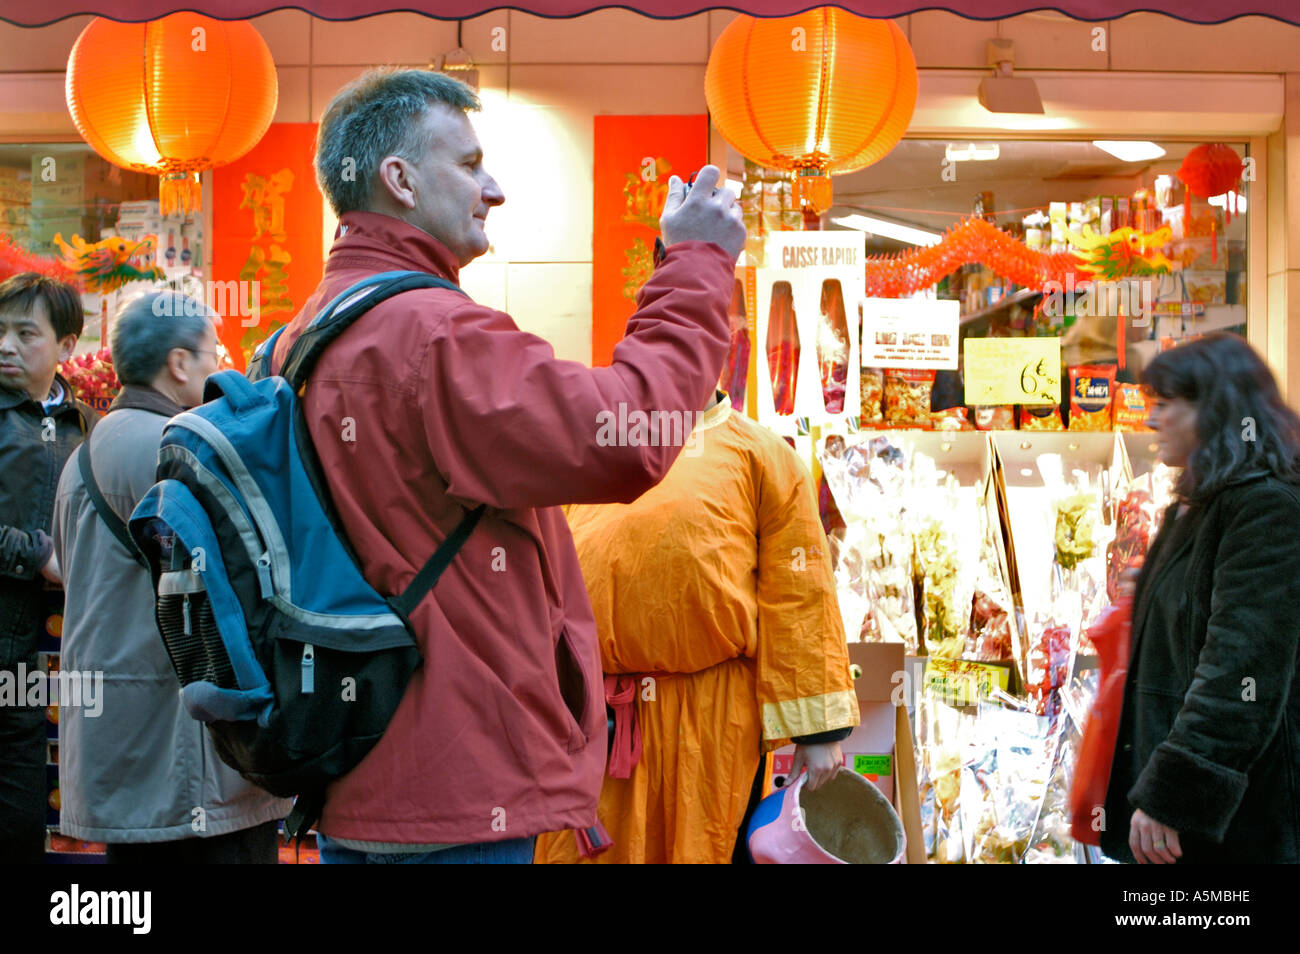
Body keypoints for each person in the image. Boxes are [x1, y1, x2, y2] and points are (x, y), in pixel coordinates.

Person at [269, 68, 745, 863]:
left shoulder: (299, 337)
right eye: (468, 164)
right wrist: (696, 264)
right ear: (399, 179)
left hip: (353, 761)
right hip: (454, 780)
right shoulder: (435, 336)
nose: (493, 190)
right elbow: (632, 434)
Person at [534, 388, 861, 864]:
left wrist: (818, 734)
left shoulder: (764, 456)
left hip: (710, 725)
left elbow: (800, 596)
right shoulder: (589, 447)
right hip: (591, 723)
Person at [52, 292, 294, 863]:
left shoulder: (85, 452)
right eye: (215, 354)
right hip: (183, 757)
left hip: (121, 748)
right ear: (180, 364)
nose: (222, 369)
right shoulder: (173, 450)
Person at [1101, 331, 1300, 864]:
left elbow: (1242, 670)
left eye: (1165, 404)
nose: (1150, 419)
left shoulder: (1265, 508)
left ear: (1216, 412)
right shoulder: (1197, 504)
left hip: (1237, 825)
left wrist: (1174, 795)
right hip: (1196, 824)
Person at [0, 273, 96, 863]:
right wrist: (36, 554)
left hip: (48, 658)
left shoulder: (87, 423)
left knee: (22, 817)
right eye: (0, 331)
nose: (6, 345)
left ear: (66, 346)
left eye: (24, 333)